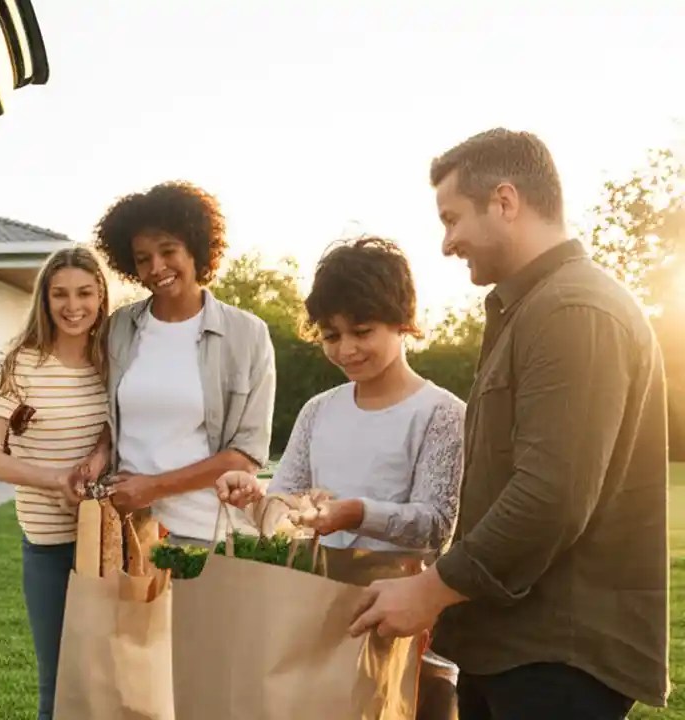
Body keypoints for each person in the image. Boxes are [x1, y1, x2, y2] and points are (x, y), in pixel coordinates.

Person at [348, 128, 670, 719]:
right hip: (511, 648)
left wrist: (429, 590)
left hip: (556, 659)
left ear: (505, 201)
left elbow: (552, 495)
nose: (447, 243)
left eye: (452, 219)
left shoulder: (573, 310)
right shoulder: (533, 307)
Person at [217, 236, 465, 555]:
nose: (346, 350)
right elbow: (283, 508)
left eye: (362, 332)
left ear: (402, 321)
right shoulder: (318, 411)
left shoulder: (441, 413)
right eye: (331, 336)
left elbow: (435, 527)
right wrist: (252, 497)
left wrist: (357, 514)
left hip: (398, 597)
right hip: (314, 590)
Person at [93, 180, 276, 545]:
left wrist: (153, 487)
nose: (157, 267)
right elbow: (111, 421)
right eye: (143, 258)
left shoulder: (246, 335)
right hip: (126, 532)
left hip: (206, 533)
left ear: (195, 247)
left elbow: (246, 456)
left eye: (168, 251)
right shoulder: (119, 328)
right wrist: (97, 457)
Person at [0, 246, 112, 720]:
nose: (73, 306)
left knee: (112, 679)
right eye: (60, 294)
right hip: (48, 546)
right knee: (58, 685)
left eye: (84, 293)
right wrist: (56, 479)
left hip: (110, 544)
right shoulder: (19, 363)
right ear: (45, 299)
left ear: (101, 295)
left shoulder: (112, 359)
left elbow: (117, 430)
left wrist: (97, 457)